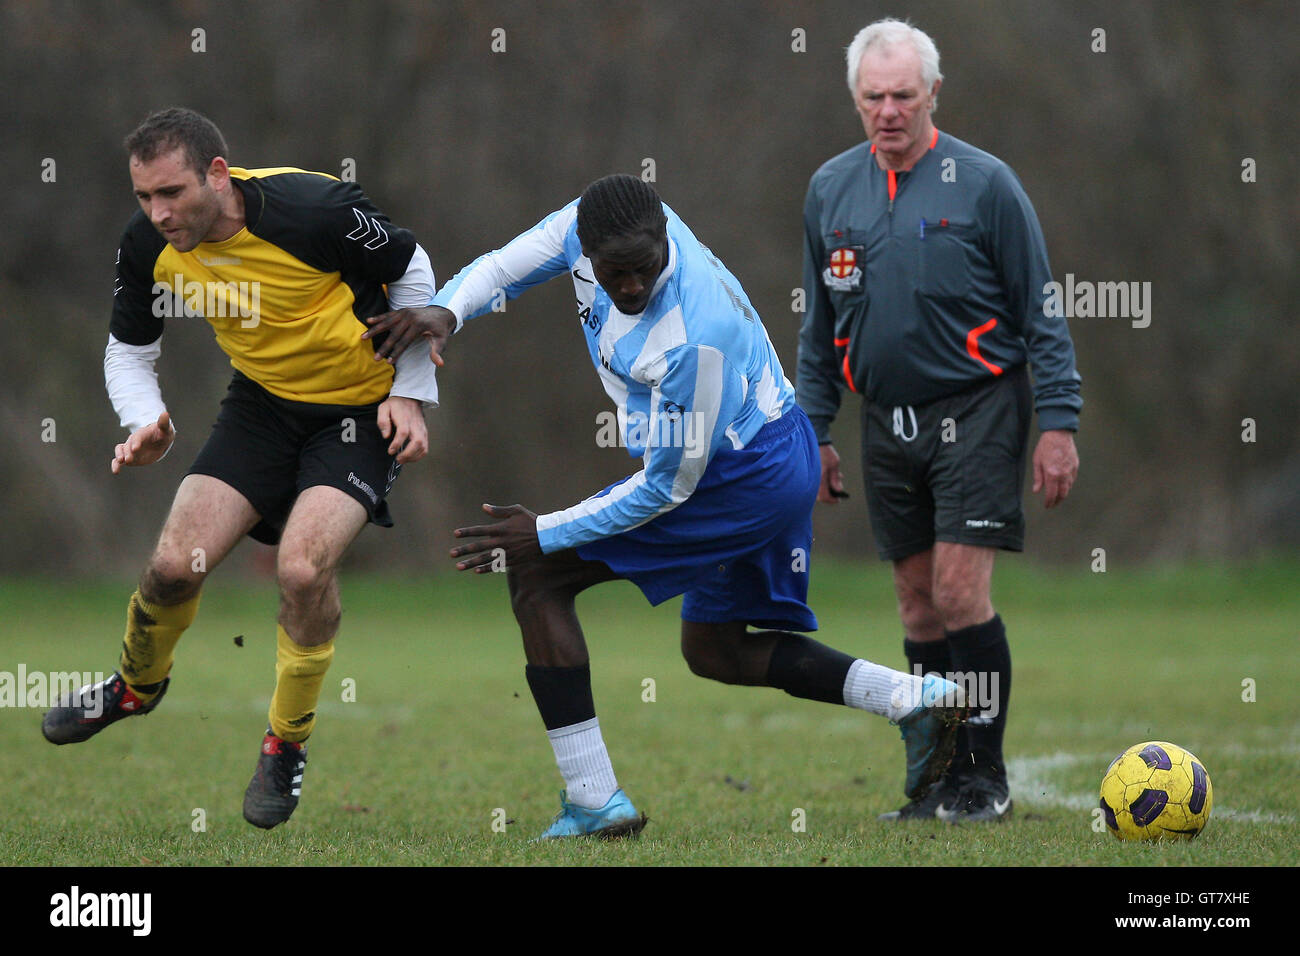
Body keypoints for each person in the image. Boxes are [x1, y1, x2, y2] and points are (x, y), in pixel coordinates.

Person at [363, 173, 966, 838]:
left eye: (643, 269)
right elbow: (505, 267)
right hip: (766, 442)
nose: (629, 286)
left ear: (662, 241)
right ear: (586, 249)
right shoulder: (597, 223)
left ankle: (594, 802)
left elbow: (666, 489)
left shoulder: (690, 338)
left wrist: (546, 530)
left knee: (538, 576)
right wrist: (447, 309)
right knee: (716, 650)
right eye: (614, 272)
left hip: (739, 475)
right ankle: (912, 700)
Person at [42, 107, 439, 829]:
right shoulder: (147, 248)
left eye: (172, 194)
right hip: (261, 408)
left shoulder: (316, 211)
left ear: (217, 174)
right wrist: (145, 421)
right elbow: (129, 350)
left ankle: (284, 744)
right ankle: (135, 686)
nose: (159, 213)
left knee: (301, 571)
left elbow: (411, 269)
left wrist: (412, 393)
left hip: (356, 413)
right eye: (144, 197)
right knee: (172, 568)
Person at [797, 19, 1083, 822]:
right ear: (855, 100)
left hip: (981, 406)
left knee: (960, 594)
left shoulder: (987, 183)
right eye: (873, 97)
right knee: (918, 605)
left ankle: (983, 780)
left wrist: (1059, 420)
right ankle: (938, 778)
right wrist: (811, 432)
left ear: (933, 95)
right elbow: (819, 330)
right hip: (885, 423)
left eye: (904, 96)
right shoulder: (829, 189)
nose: (889, 111)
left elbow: (1041, 309)